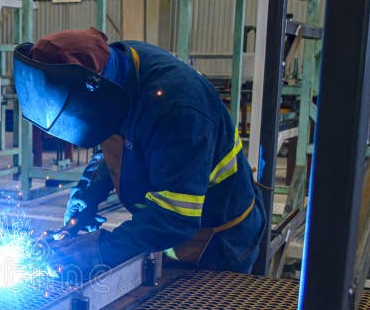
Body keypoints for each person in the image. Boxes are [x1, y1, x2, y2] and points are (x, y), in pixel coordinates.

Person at [14, 28, 265, 275]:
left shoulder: (178, 109)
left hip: (218, 242)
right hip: (172, 234)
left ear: (95, 85)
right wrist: (89, 192)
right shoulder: (119, 68)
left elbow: (174, 218)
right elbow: (113, 136)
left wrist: (100, 251)